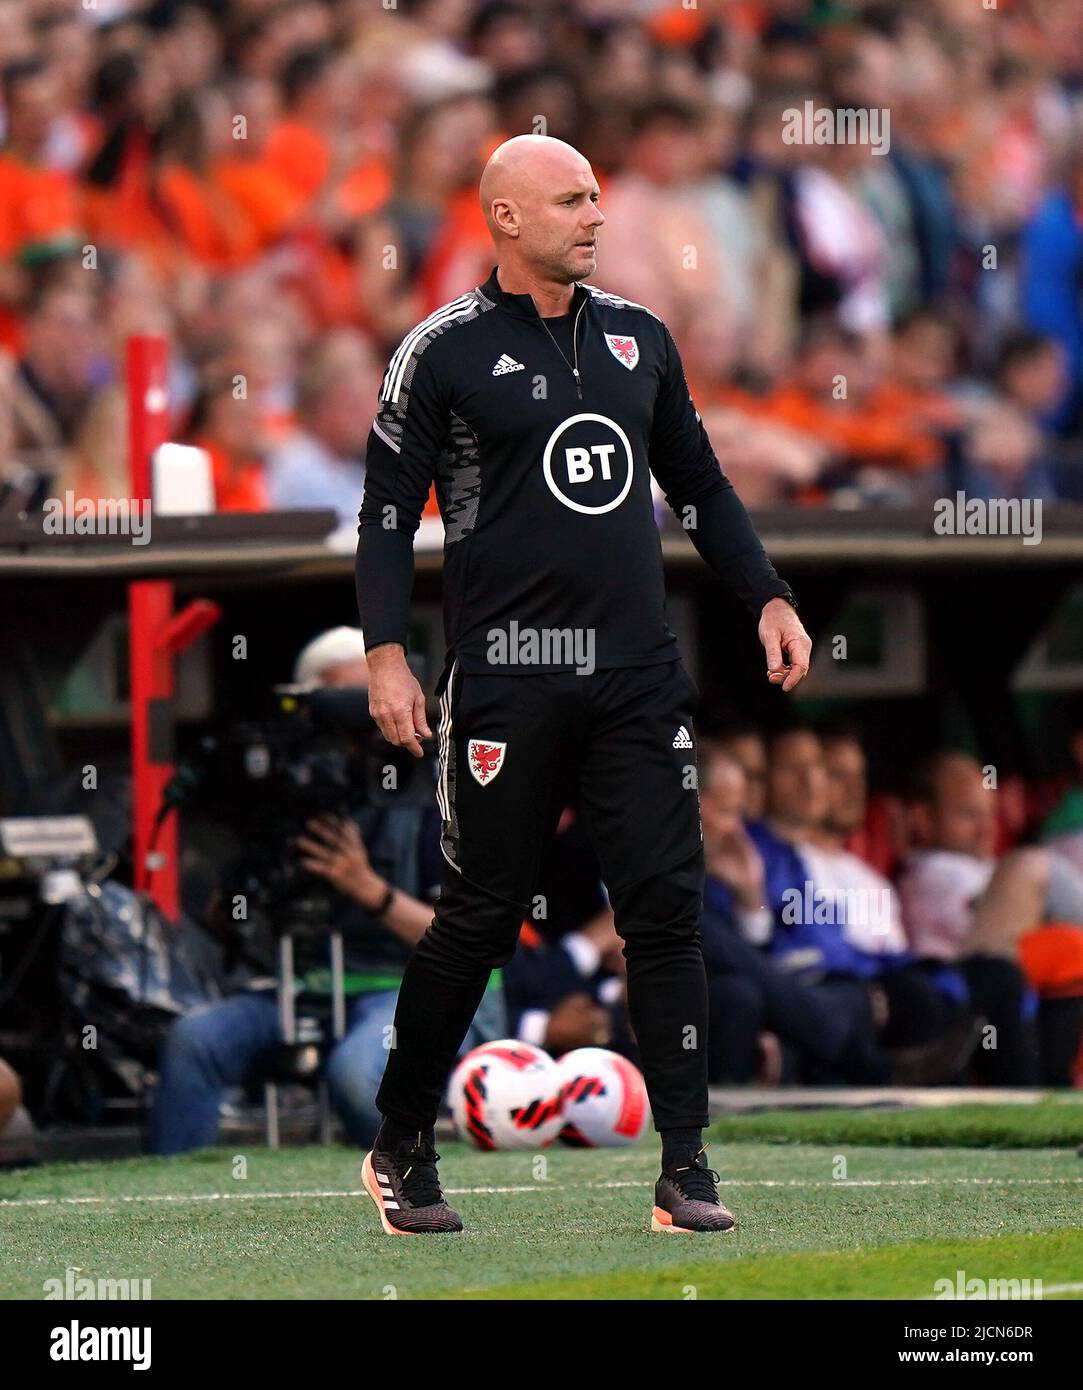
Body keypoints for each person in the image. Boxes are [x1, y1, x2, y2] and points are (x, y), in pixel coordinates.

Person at [355, 133, 810, 1235]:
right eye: (571, 200)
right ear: (504, 218)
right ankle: (401, 1142)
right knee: (482, 910)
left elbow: (698, 482)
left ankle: (687, 1166)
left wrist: (768, 594)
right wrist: (383, 654)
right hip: (508, 678)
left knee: (664, 909)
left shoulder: (641, 338)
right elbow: (383, 514)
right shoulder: (442, 351)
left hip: (636, 673)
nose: (596, 215)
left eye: (599, 195)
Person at [151, 626, 504, 1154]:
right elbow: (237, 915)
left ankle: (403, 1181)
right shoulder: (289, 798)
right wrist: (243, 895)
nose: (360, 725)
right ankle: (164, 1210)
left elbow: (470, 935)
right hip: (307, 987)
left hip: (412, 987)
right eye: (337, 711)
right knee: (194, 1040)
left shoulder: (435, 788)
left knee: (359, 1075)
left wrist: (367, 888)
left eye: (370, 705)